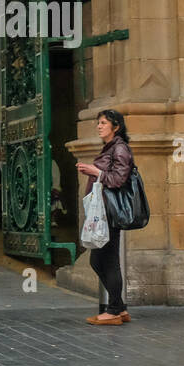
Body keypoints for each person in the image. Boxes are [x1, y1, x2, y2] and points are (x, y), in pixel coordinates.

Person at [75, 109, 134, 326]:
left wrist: (94, 171)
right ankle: (119, 309)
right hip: (103, 211)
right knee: (103, 260)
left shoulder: (119, 148)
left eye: (103, 123)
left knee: (104, 260)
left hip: (109, 212)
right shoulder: (112, 147)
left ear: (115, 127)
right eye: (98, 123)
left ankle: (114, 310)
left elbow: (119, 179)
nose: (99, 126)